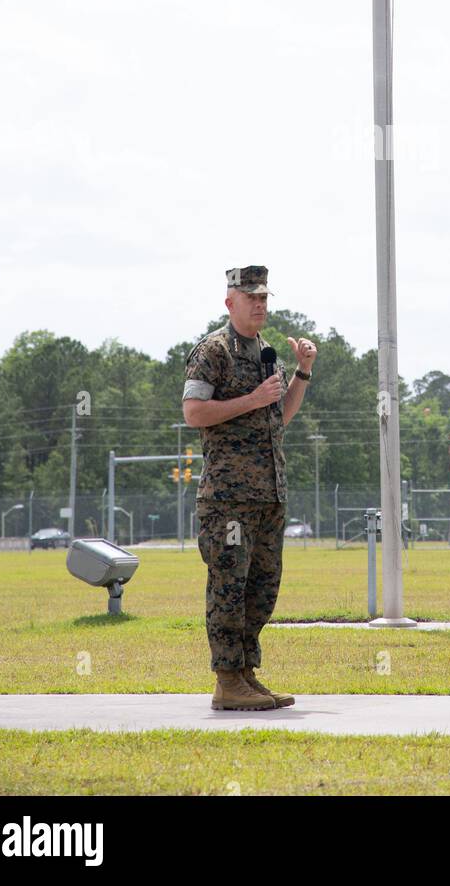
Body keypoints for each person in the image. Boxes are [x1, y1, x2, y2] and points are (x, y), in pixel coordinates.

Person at [181, 264, 317, 711]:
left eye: (264, 298)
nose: (259, 304)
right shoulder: (212, 351)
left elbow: (281, 415)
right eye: (251, 297)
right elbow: (194, 412)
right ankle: (226, 679)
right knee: (229, 588)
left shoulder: (267, 353)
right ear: (230, 302)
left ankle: (246, 674)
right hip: (229, 499)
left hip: (268, 493)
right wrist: (250, 400)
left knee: (262, 588)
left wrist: (302, 372)